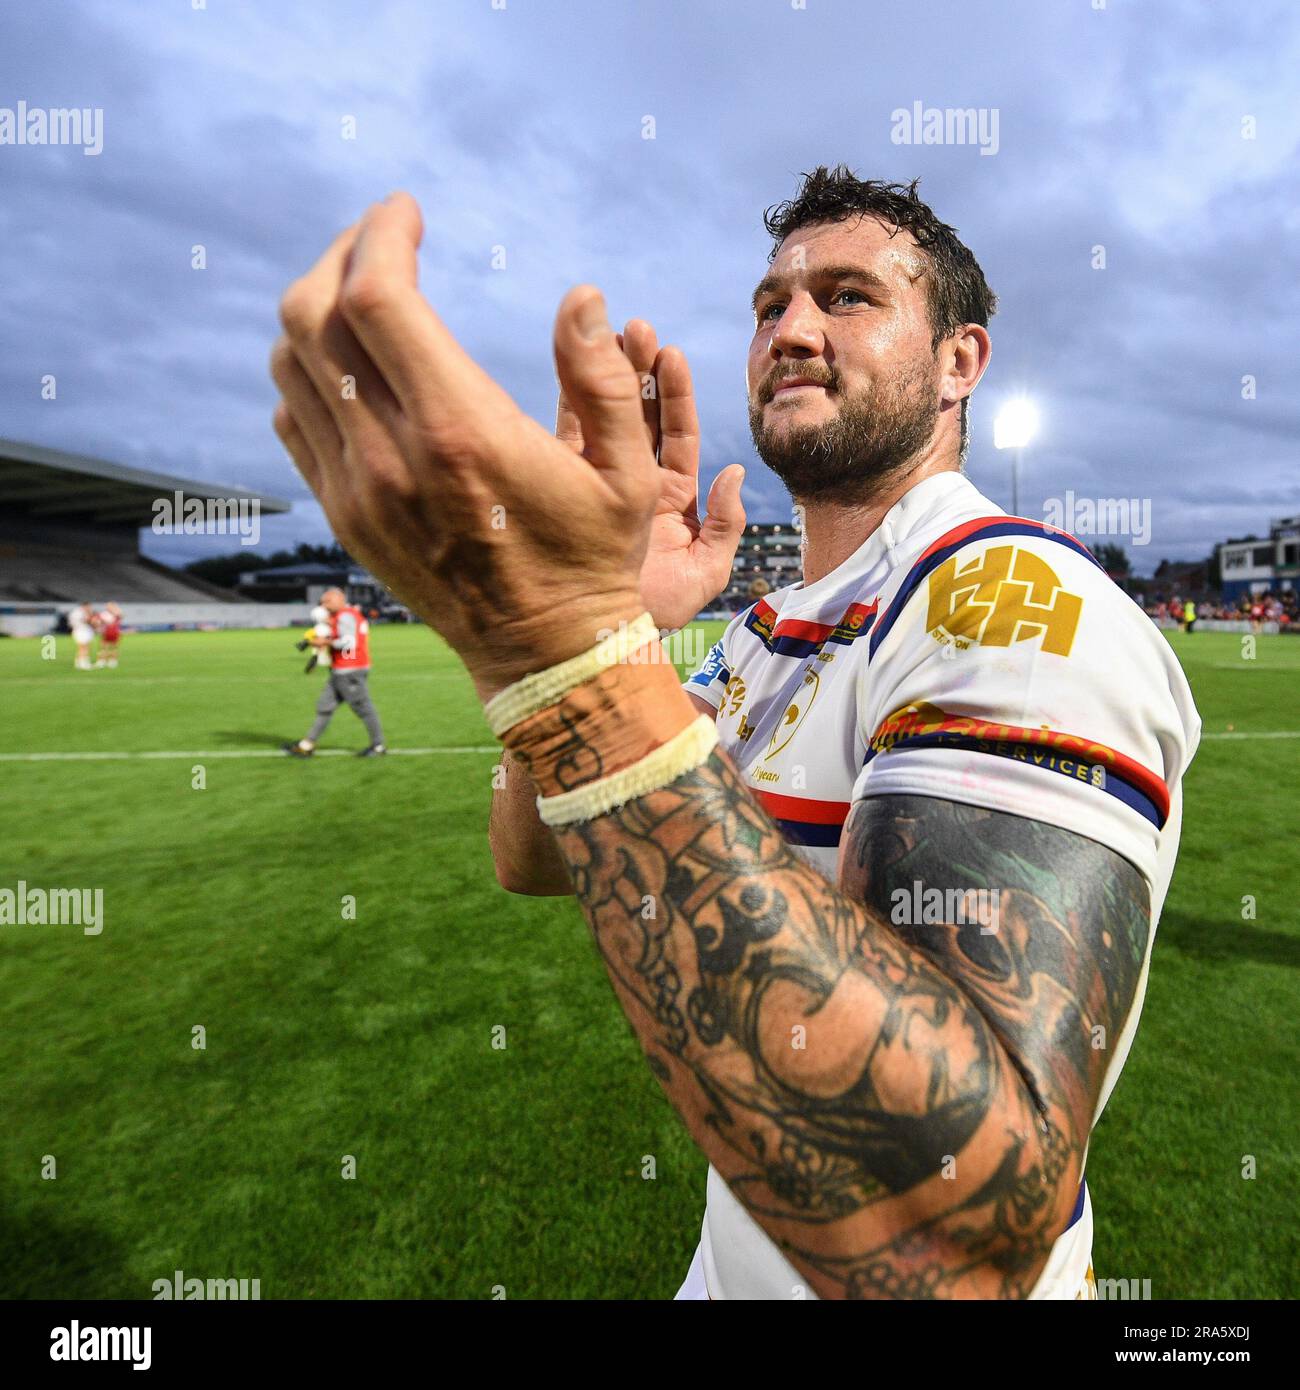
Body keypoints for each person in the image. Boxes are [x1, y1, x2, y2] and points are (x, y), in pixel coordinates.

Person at [269, 173, 1200, 1300]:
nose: (792, 330)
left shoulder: (1004, 596)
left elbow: (969, 1228)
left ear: (961, 362)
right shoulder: (762, 630)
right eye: (769, 306)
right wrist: (613, 626)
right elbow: (533, 858)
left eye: (849, 297)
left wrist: (562, 653)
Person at [283, 588, 387, 757]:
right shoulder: (346, 615)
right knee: (324, 706)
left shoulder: (345, 616)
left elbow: (349, 644)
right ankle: (307, 744)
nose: (324, 605)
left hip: (349, 671)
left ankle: (378, 746)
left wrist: (325, 642)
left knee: (364, 708)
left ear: (340, 599)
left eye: (327, 601)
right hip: (343, 669)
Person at [67, 601, 97, 671]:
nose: (90, 608)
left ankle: (79, 662)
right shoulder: (78, 612)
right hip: (81, 631)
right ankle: (84, 664)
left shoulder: (79, 612)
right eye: (89, 607)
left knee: (84, 647)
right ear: (85, 606)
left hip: (85, 631)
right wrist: (91, 618)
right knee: (83, 647)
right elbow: (87, 621)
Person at [95, 602, 122, 667]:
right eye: (108, 606)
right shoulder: (104, 614)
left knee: (114, 647)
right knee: (103, 647)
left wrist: (115, 609)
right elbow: (97, 621)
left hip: (114, 632)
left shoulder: (116, 613)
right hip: (105, 632)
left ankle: (113, 661)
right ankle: (101, 661)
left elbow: (120, 616)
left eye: (111, 606)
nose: (109, 607)